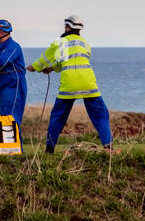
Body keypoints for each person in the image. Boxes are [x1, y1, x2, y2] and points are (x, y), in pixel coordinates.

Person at [28, 15, 112, 152]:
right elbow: (73, 60)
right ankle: (109, 147)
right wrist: (53, 68)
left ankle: (50, 149)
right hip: (88, 83)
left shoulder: (60, 42)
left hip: (69, 85)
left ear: (67, 27)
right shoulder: (85, 43)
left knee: (58, 116)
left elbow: (45, 58)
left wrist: (34, 67)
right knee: (101, 115)